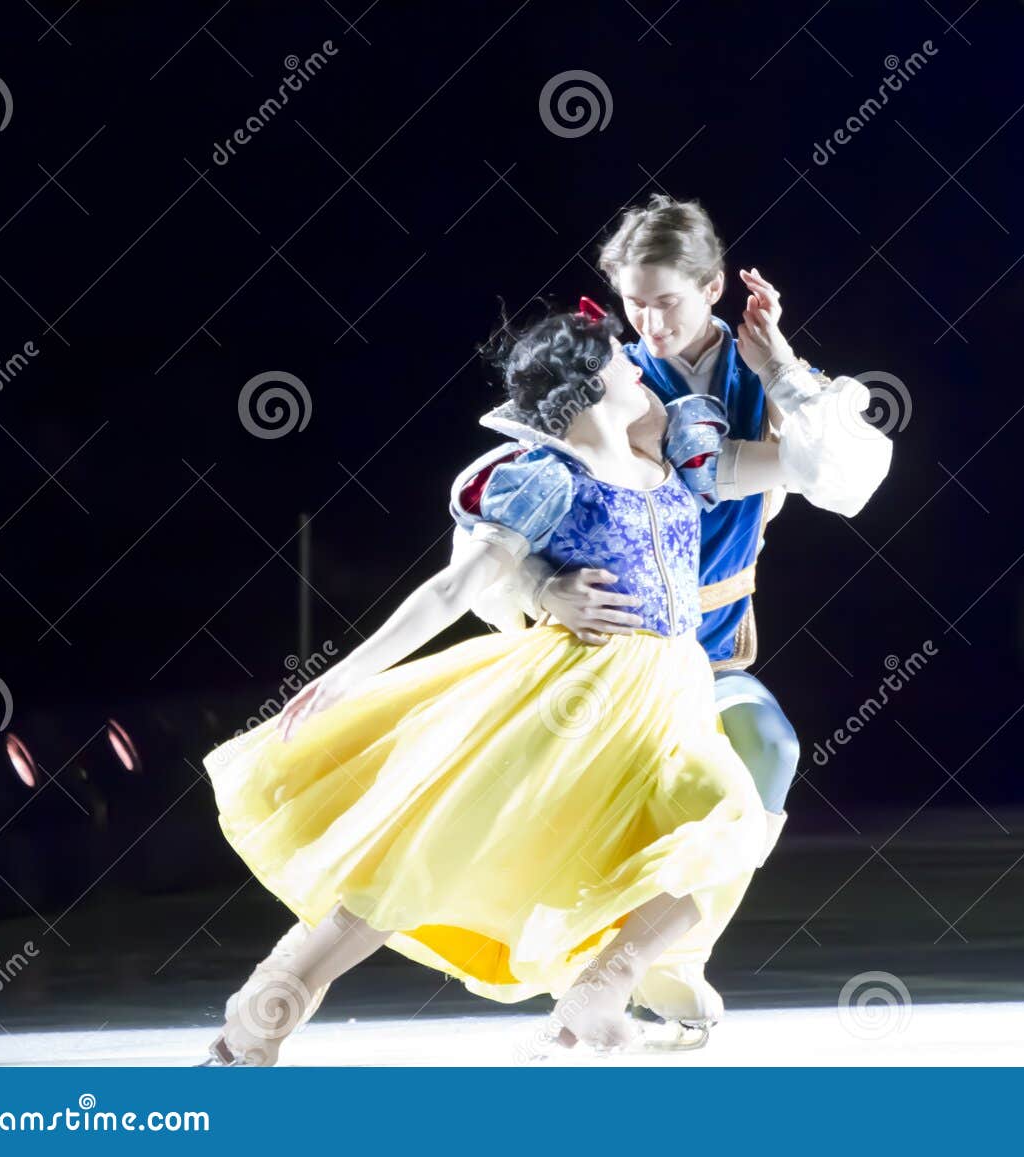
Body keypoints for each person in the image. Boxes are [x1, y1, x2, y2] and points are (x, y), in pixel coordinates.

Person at [196, 301, 801, 1065]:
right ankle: (258, 1019)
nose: (631, 364)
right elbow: (453, 591)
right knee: (429, 857)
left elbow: (805, 466)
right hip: (572, 695)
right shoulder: (543, 478)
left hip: (669, 692)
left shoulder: (678, 450)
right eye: (616, 357)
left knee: (729, 824)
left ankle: (601, 990)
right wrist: (349, 673)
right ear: (587, 388)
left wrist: (784, 371)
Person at [471, 196, 894, 1030]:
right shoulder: (608, 378)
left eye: (665, 299)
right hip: (613, 648)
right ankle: (588, 960)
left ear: (712, 287)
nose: (647, 321)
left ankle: (666, 956)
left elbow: (843, 482)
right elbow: (501, 516)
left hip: (712, 649)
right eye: (633, 301)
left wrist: (780, 368)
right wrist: (537, 589)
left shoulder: (763, 379)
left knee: (765, 748)